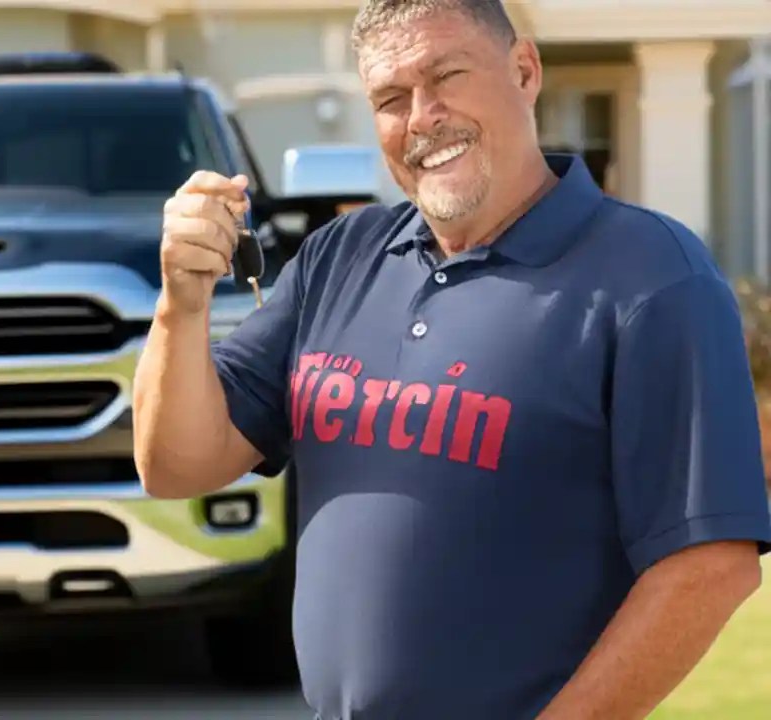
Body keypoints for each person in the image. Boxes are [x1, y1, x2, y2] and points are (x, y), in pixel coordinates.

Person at [132, 0, 771, 718]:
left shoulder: (655, 277)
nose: (422, 116)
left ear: (524, 70)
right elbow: (177, 465)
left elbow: (710, 566)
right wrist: (181, 305)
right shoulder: (337, 259)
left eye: (447, 75)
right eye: (390, 99)